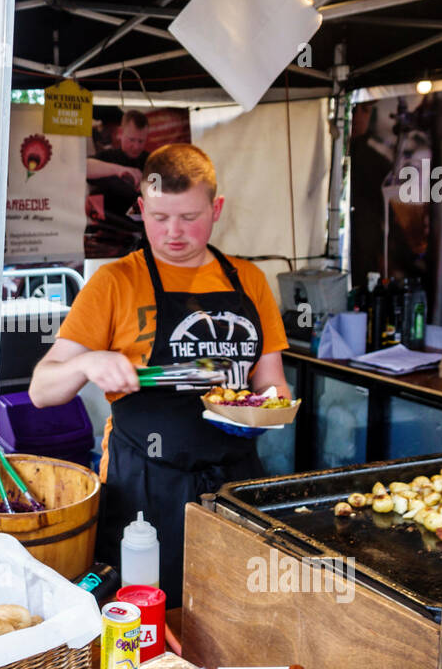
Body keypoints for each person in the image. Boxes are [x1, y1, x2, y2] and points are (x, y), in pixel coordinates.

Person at [29, 143, 289, 609]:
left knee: (239, 613)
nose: (173, 232)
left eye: (189, 217)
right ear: (141, 208)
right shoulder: (115, 283)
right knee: (145, 617)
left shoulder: (249, 279)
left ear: (216, 209)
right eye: (159, 217)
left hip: (235, 484)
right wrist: (87, 363)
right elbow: (41, 390)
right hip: (145, 488)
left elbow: (271, 382)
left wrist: (265, 411)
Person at [85, 109, 150, 258]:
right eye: (131, 140)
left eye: (141, 141)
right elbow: (84, 167)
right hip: (107, 241)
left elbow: (157, 196)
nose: (136, 146)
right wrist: (119, 170)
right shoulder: (108, 157)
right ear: (121, 133)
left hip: (141, 241)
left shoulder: (151, 162)